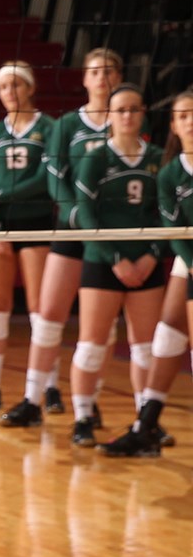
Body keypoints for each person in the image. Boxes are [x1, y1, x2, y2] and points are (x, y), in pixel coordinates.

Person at [17, 47, 126, 431]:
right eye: (95, 71)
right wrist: (81, 219)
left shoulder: (126, 122)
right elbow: (54, 180)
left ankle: (88, 403)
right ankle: (32, 399)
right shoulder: (66, 125)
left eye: (109, 70)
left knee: (101, 329)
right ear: (84, 78)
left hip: (112, 234)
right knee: (48, 317)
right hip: (72, 228)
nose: (102, 77)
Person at [68, 84, 168, 450]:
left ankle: (145, 422)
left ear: (143, 113)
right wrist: (116, 258)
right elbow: (85, 214)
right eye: (120, 110)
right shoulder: (95, 158)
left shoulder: (157, 158)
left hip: (146, 263)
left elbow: (165, 214)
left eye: (133, 109)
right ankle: (82, 418)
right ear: (109, 115)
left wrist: (151, 255)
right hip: (102, 262)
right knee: (92, 346)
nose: (127, 116)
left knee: (144, 347)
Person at [103, 90, 193, 455]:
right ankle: (146, 423)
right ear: (173, 125)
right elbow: (173, 232)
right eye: (183, 115)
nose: (191, 121)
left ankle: (146, 422)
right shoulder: (171, 172)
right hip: (190, 256)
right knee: (168, 336)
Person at [0, 60, 54, 413]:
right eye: (5, 87)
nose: (10, 93)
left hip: (36, 226)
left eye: (17, 85)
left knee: (40, 310)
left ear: (30, 88)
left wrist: (3, 196)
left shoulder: (49, 128)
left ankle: (47, 388)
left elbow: (46, 182)